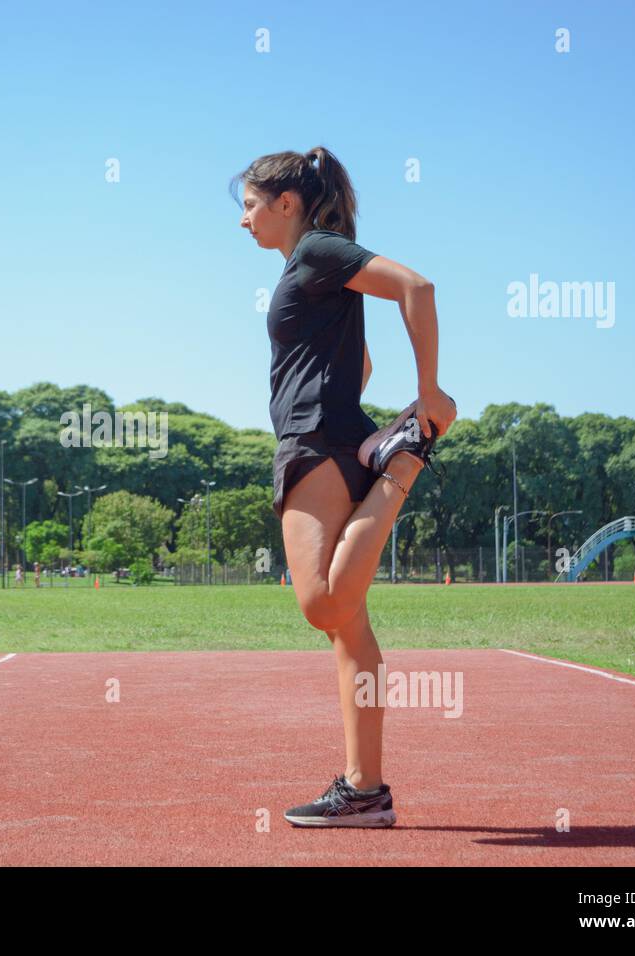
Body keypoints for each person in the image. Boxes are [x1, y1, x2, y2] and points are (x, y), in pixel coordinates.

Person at [235, 146, 457, 828]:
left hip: (316, 443)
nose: (243, 222)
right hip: (333, 433)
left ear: (287, 204)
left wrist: (427, 396)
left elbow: (417, 288)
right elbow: (356, 358)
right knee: (348, 630)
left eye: (249, 206)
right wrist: (341, 405)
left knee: (323, 604)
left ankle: (404, 460)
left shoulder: (319, 252)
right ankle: (366, 790)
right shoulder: (313, 267)